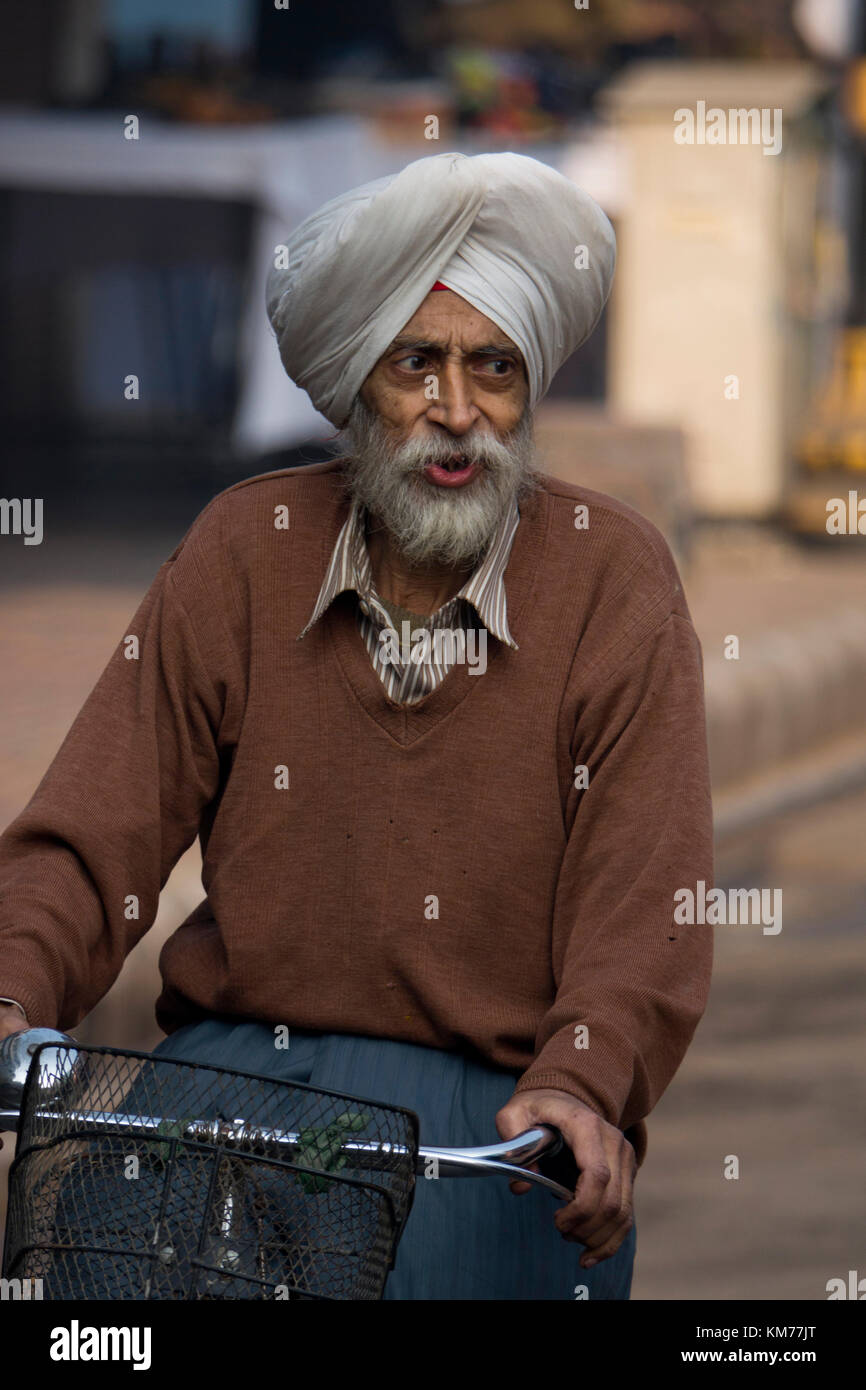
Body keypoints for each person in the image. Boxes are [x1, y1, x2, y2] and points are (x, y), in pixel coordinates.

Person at [0, 151, 713, 1300]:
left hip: (488, 1126)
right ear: (354, 385)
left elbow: (645, 900)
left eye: (493, 367)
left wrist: (586, 1080)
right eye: (414, 364)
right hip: (226, 1092)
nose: (455, 411)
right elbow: (94, 829)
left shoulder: (611, 578)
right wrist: (13, 987)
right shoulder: (245, 548)